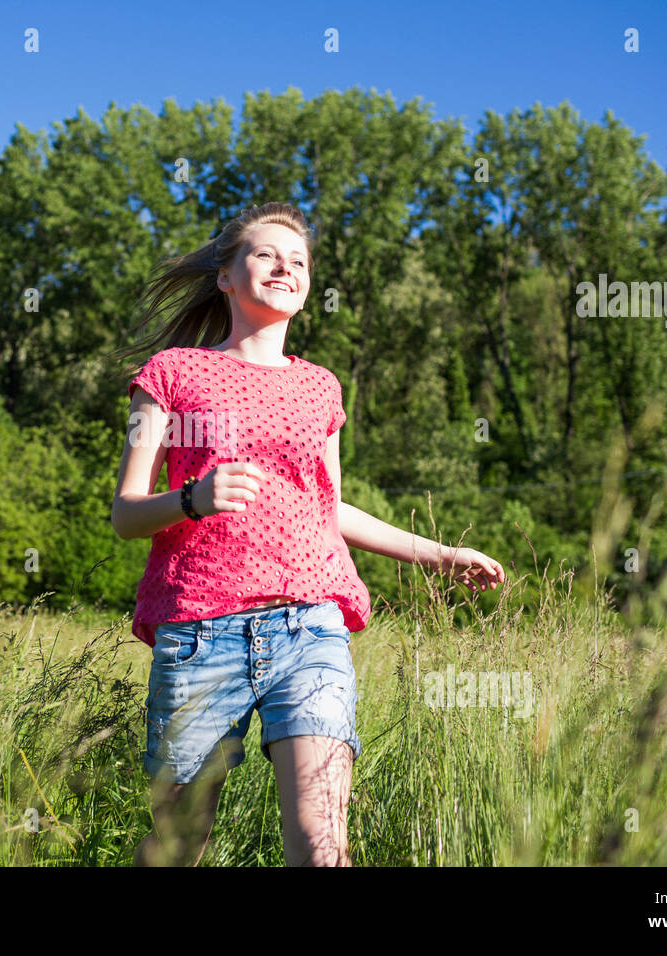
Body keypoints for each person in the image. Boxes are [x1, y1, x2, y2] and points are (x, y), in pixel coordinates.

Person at [109, 201, 505, 866]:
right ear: (226, 277)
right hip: (200, 632)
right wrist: (192, 499)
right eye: (265, 254)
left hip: (310, 628)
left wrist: (439, 553)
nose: (285, 266)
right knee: (181, 843)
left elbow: (329, 510)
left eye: (298, 261)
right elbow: (125, 514)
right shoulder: (172, 373)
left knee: (323, 844)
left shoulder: (320, 387)